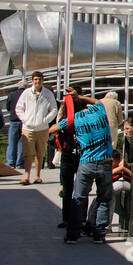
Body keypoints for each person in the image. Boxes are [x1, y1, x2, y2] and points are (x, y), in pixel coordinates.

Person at [57, 91, 115, 243]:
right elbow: (98, 102)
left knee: (79, 198)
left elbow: (53, 129)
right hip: (105, 161)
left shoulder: (73, 120)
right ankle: (99, 234)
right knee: (104, 198)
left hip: (86, 162)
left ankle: (72, 235)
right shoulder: (99, 111)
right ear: (85, 105)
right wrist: (80, 96)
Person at [16, 70, 58, 185]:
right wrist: (25, 119)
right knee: (28, 153)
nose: (37, 81)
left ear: (42, 80)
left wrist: (45, 120)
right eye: (35, 79)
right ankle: (27, 175)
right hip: (28, 127)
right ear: (32, 80)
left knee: (40, 153)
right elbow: (19, 108)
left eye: (39, 79)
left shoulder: (47, 94)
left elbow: (54, 109)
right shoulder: (26, 93)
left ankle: (38, 175)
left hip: (42, 128)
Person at [53, 86, 83, 230]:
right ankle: (79, 219)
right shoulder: (82, 116)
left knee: (70, 189)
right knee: (79, 190)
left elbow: (54, 128)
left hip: (69, 154)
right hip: (77, 155)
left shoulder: (71, 118)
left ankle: (68, 218)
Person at [4, 81, 25, 169]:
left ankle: (10, 162)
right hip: (24, 120)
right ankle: (19, 163)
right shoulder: (27, 95)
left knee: (12, 142)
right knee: (21, 142)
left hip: (13, 120)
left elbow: (8, 107)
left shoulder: (11, 95)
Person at [111, 149, 132, 233]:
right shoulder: (117, 165)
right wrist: (121, 167)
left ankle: (107, 226)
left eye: (112, 161)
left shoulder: (122, 163)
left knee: (109, 200)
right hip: (121, 184)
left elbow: (131, 173)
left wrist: (123, 167)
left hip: (122, 183)